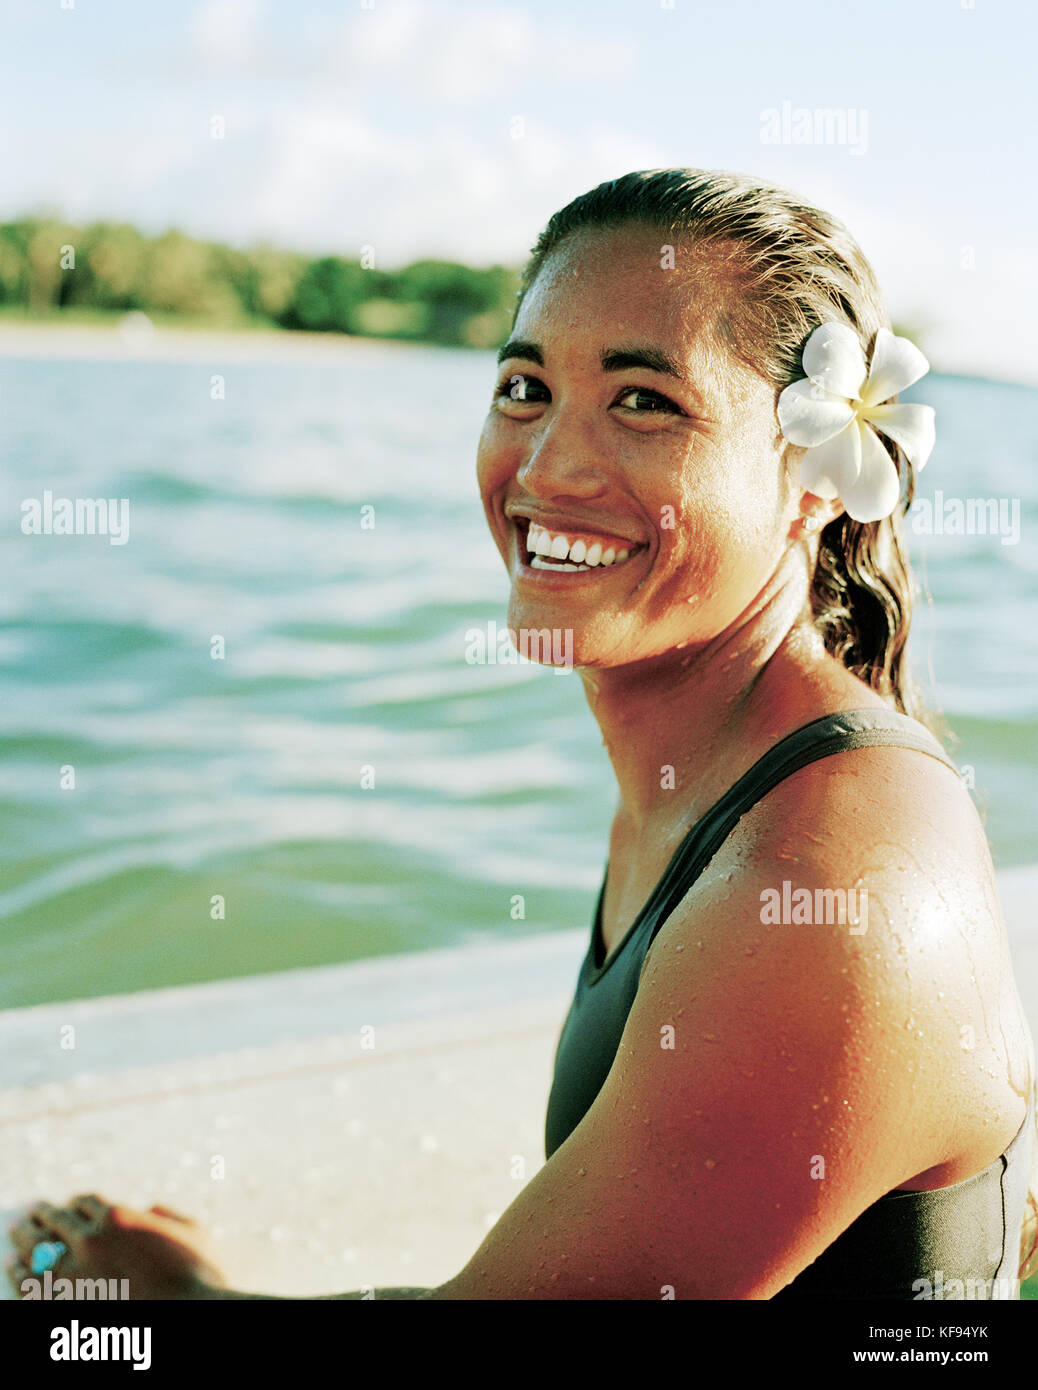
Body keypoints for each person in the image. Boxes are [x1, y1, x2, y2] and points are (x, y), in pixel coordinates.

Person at [8, 168, 1036, 1300]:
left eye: (644, 400)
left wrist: (188, 1301)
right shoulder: (715, 769)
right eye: (523, 385)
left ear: (817, 479)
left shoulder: (835, 885)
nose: (546, 468)